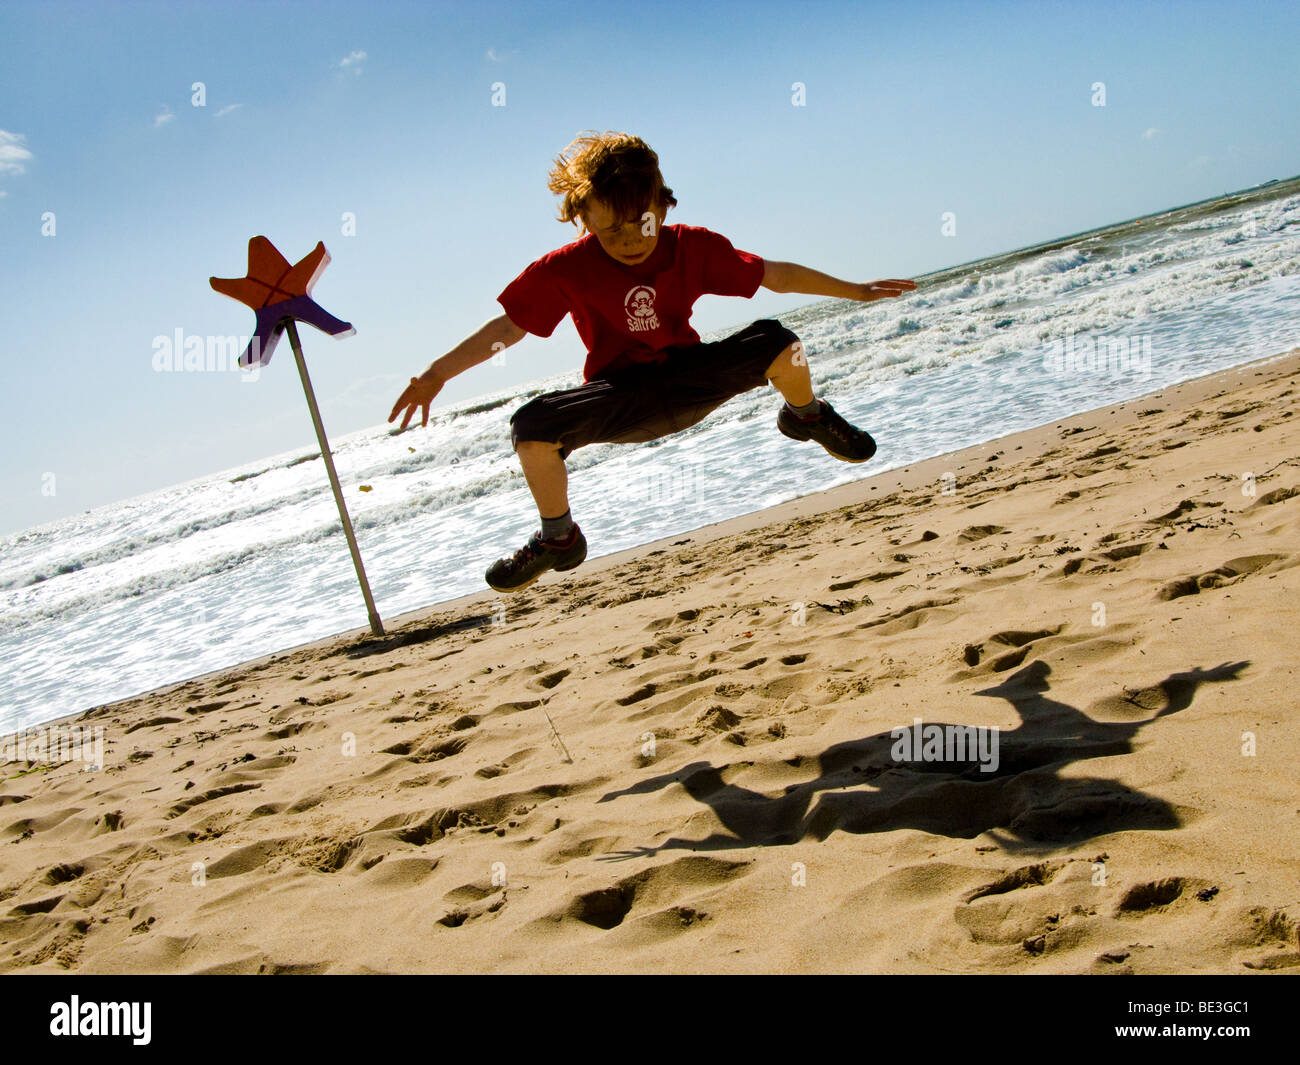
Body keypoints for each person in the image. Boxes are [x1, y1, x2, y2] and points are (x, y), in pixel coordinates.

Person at [389, 131, 916, 592]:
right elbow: (509, 328)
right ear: (583, 218)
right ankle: (560, 538)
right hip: (623, 398)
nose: (628, 241)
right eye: (609, 231)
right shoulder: (563, 269)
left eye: (641, 224)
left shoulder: (693, 247)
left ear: (663, 206)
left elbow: (775, 275)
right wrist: (436, 375)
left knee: (780, 341)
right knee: (531, 426)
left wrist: (855, 291)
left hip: (691, 379)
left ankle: (806, 415)